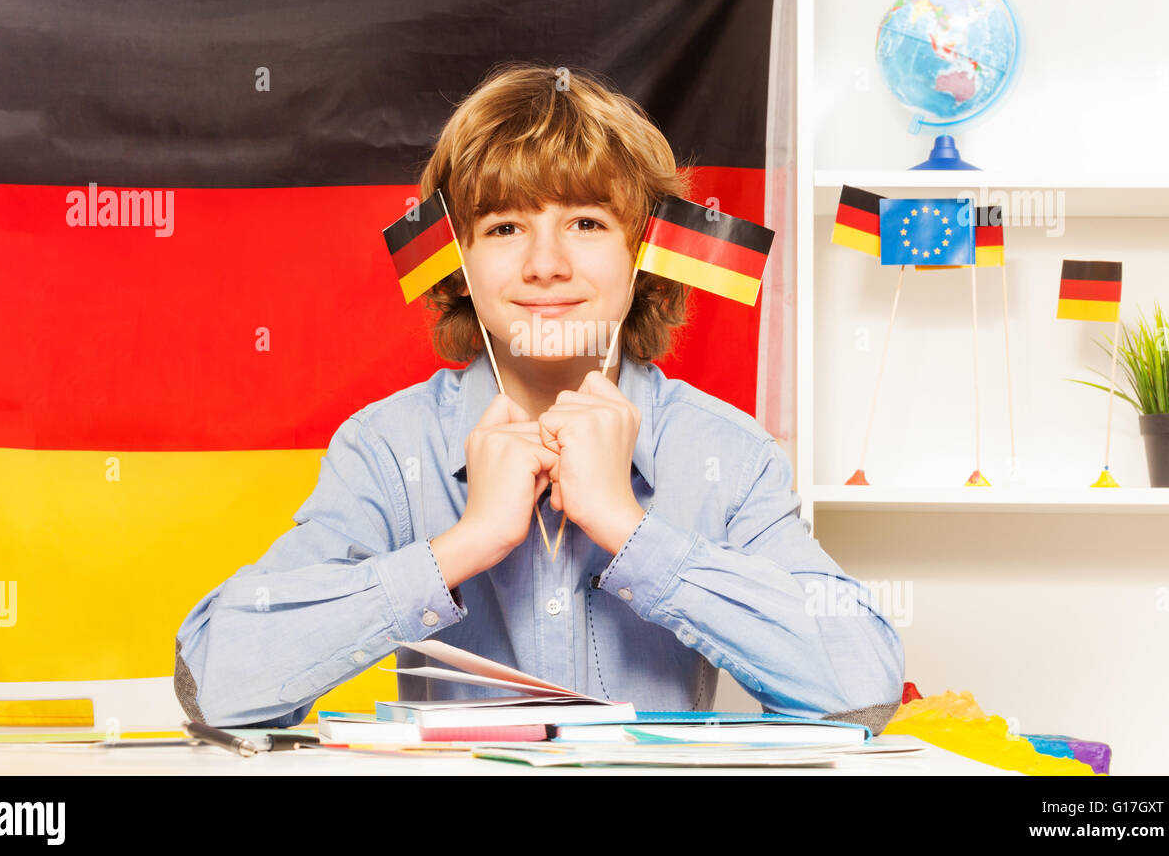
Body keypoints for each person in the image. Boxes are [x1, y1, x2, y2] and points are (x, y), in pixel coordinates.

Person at [173, 63, 905, 733]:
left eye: (586, 223)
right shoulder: (387, 448)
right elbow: (217, 684)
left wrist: (628, 527)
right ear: (458, 265)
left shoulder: (727, 454)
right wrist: (465, 544)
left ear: (642, 254)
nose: (545, 265)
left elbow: (863, 686)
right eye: (504, 228)